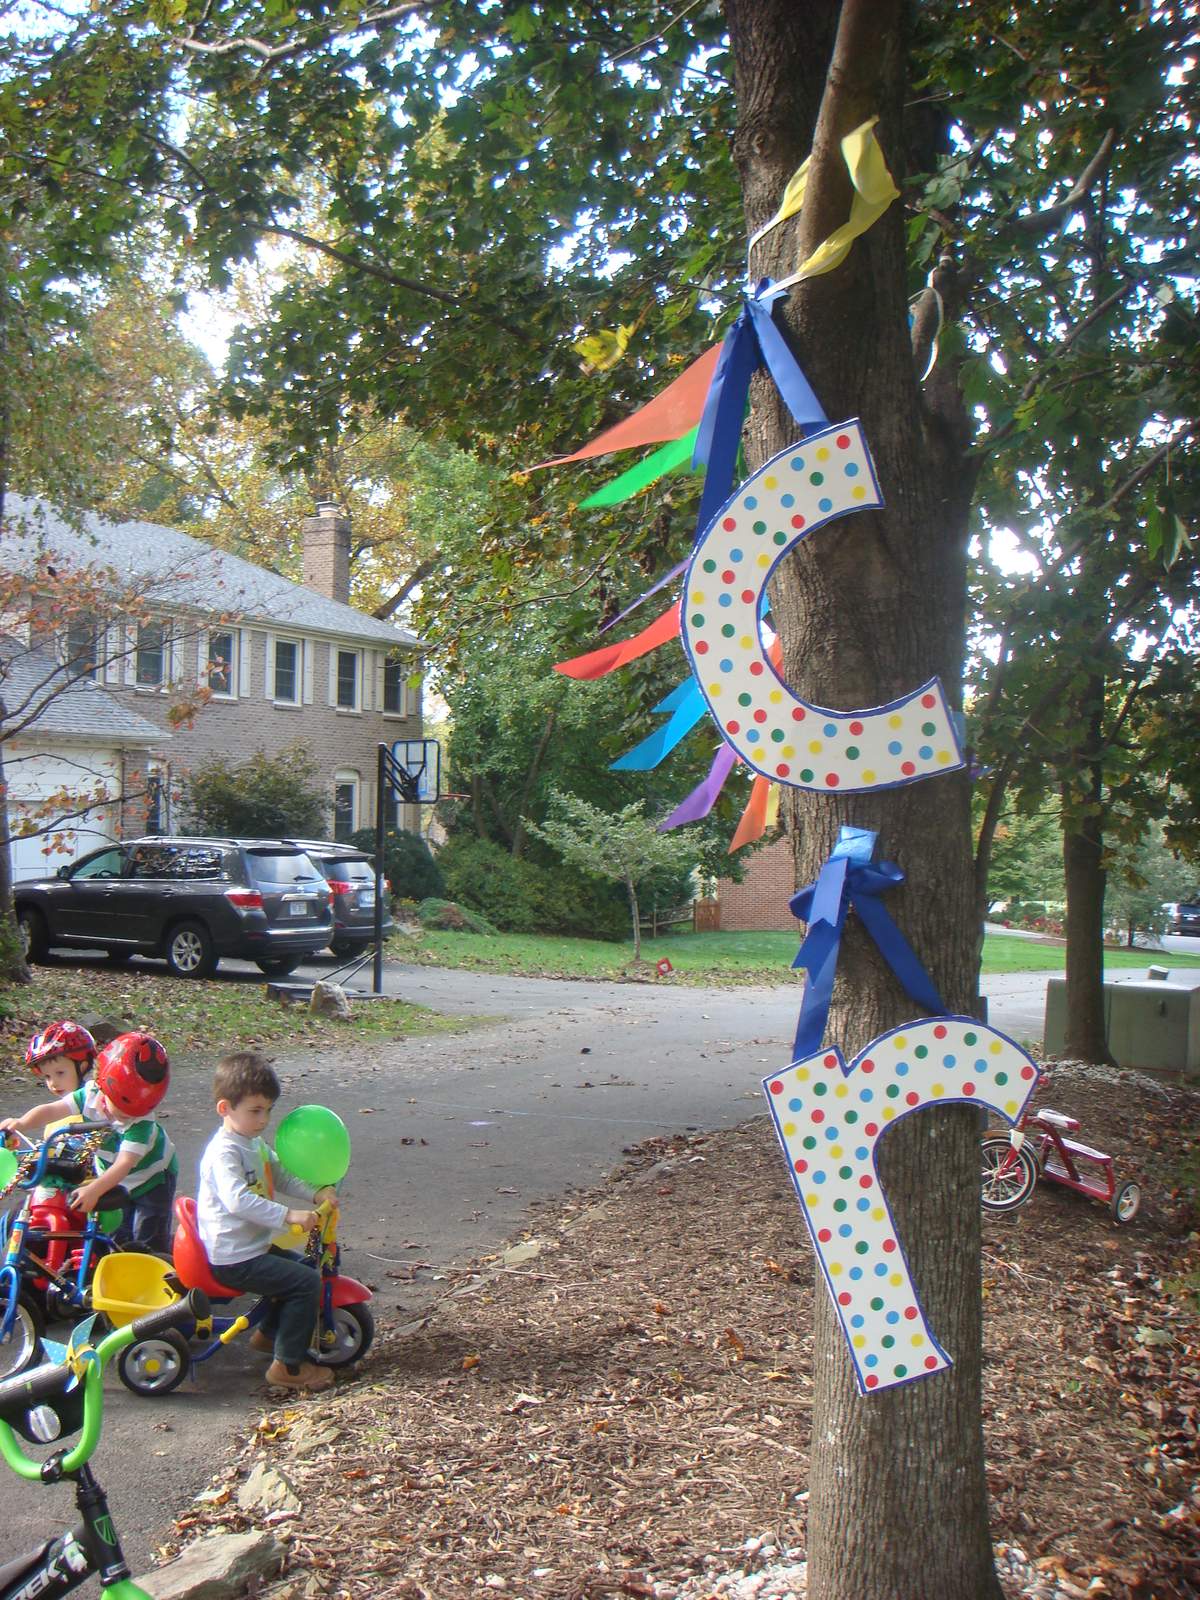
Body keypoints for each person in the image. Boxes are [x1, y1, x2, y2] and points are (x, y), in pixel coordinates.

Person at [196, 1051, 338, 1393]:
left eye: (268, 1110)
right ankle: (287, 1366)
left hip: (251, 1248)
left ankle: (269, 1335)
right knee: (304, 1283)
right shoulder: (224, 1153)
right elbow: (237, 1200)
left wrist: (316, 1193)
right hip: (233, 1256)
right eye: (255, 1111)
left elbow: (281, 1174)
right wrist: (287, 1215)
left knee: (303, 1268)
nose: (264, 1119)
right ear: (225, 1108)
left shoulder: (252, 1142)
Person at [0, 1031, 177, 1251]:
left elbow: (124, 1164)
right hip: (111, 1174)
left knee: (148, 1235)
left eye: (134, 1111)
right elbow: (52, 1110)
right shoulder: (90, 1094)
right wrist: (21, 1123)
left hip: (152, 1178)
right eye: (120, 1108)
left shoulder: (141, 1124)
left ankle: (159, 1266)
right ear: (103, 1086)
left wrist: (94, 1189)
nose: (126, 1115)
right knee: (115, 1237)